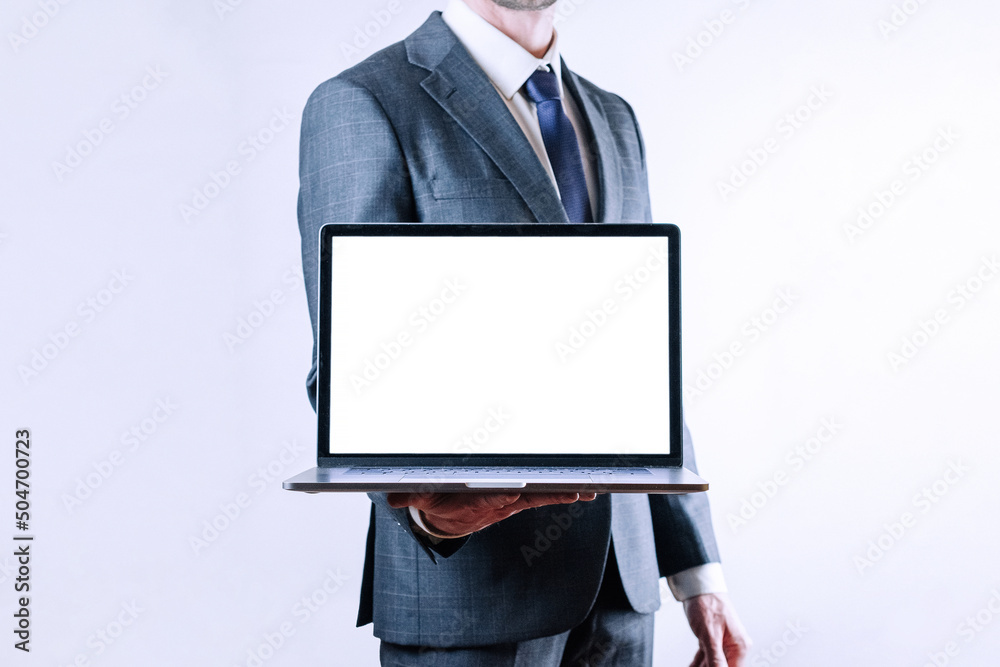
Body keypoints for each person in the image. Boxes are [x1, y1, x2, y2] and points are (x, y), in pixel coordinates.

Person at [296, 0, 751, 664]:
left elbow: (645, 365)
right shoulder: (364, 102)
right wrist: (428, 509)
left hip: (624, 595)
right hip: (472, 597)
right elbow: (349, 369)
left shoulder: (614, 118)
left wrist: (698, 574)